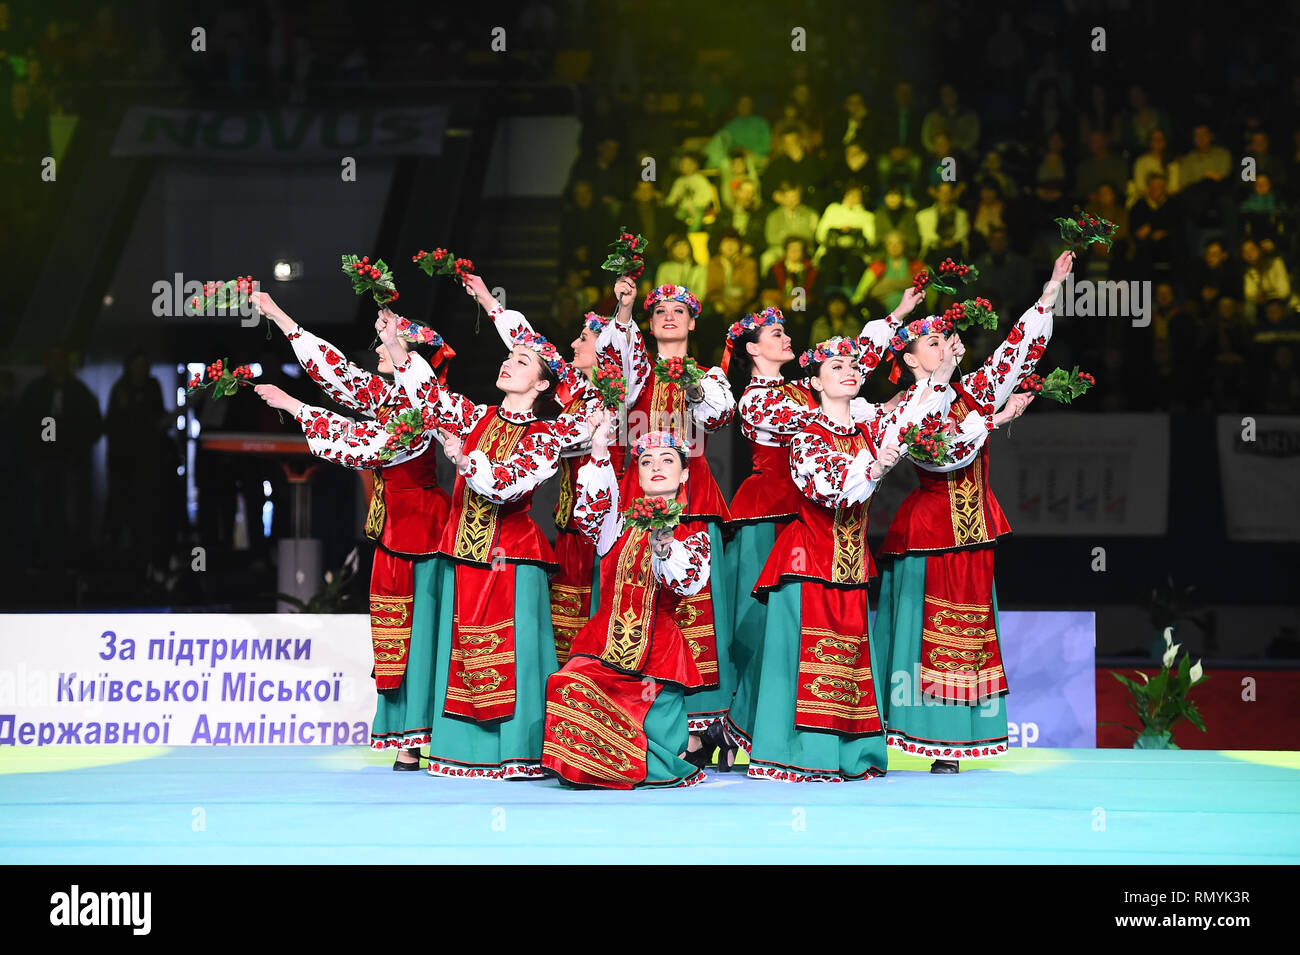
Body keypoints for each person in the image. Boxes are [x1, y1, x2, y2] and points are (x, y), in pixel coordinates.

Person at [724, 329, 956, 782]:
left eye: (853, 367)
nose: (848, 371)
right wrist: (874, 468)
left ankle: (850, 754)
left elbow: (916, 414)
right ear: (814, 382)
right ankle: (798, 753)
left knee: (846, 663)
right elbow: (829, 489)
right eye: (836, 367)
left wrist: (942, 373)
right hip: (807, 564)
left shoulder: (869, 429)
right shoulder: (805, 434)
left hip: (849, 564)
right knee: (805, 662)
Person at [874, 250, 1074, 773]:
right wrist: (995, 419)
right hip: (930, 530)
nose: (944, 347)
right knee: (926, 635)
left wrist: (1051, 288)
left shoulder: (970, 392)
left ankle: (960, 741)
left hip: (974, 527)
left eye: (946, 339)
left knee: (969, 632)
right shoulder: (909, 407)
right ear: (913, 359)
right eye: (931, 343)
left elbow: (1016, 351)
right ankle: (921, 733)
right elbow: (942, 455)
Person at [252, 292, 454, 768]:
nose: (378, 349)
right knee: (395, 632)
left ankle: (437, 737)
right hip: (392, 530)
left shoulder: (423, 410)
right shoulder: (387, 399)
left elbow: (361, 444)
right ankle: (406, 739)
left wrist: (296, 407)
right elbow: (336, 370)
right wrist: (280, 315)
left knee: (425, 631)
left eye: (387, 342)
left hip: (422, 530)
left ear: (412, 354)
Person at [377, 307, 577, 779]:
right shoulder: (474, 414)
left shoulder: (545, 436)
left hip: (513, 554)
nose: (509, 364)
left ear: (543, 384)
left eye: (523, 361)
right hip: (464, 552)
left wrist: (465, 458)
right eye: (509, 357)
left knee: (516, 654)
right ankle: (461, 749)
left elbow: (504, 485)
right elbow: (428, 395)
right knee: (463, 648)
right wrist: (395, 343)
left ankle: (519, 751)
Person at [600, 282, 737, 761]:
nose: (669, 318)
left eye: (679, 311)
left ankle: (703, 726)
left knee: (700, 616)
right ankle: (641, 719)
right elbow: (615, 347)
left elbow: (719, 414)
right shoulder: (635, 371)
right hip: (638, 494)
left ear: (693, 321)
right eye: (660, 312)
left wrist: (692, 383)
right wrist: (625, 305)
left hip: (694, 498)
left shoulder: (711, 376)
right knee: (640, 605)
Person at [541, 417, 711, 789]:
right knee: (565, 682)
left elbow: (688, 582)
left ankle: (649, 760)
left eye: (668, 460)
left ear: (684, 475)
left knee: (657, 730)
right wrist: (599, 449)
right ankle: (592, 767)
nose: (656, 468)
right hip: (602, 648)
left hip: (656, 661)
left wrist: (665, 550)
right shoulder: (617, 523)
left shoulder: (693, 533)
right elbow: (588, 516)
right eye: (647, 461)